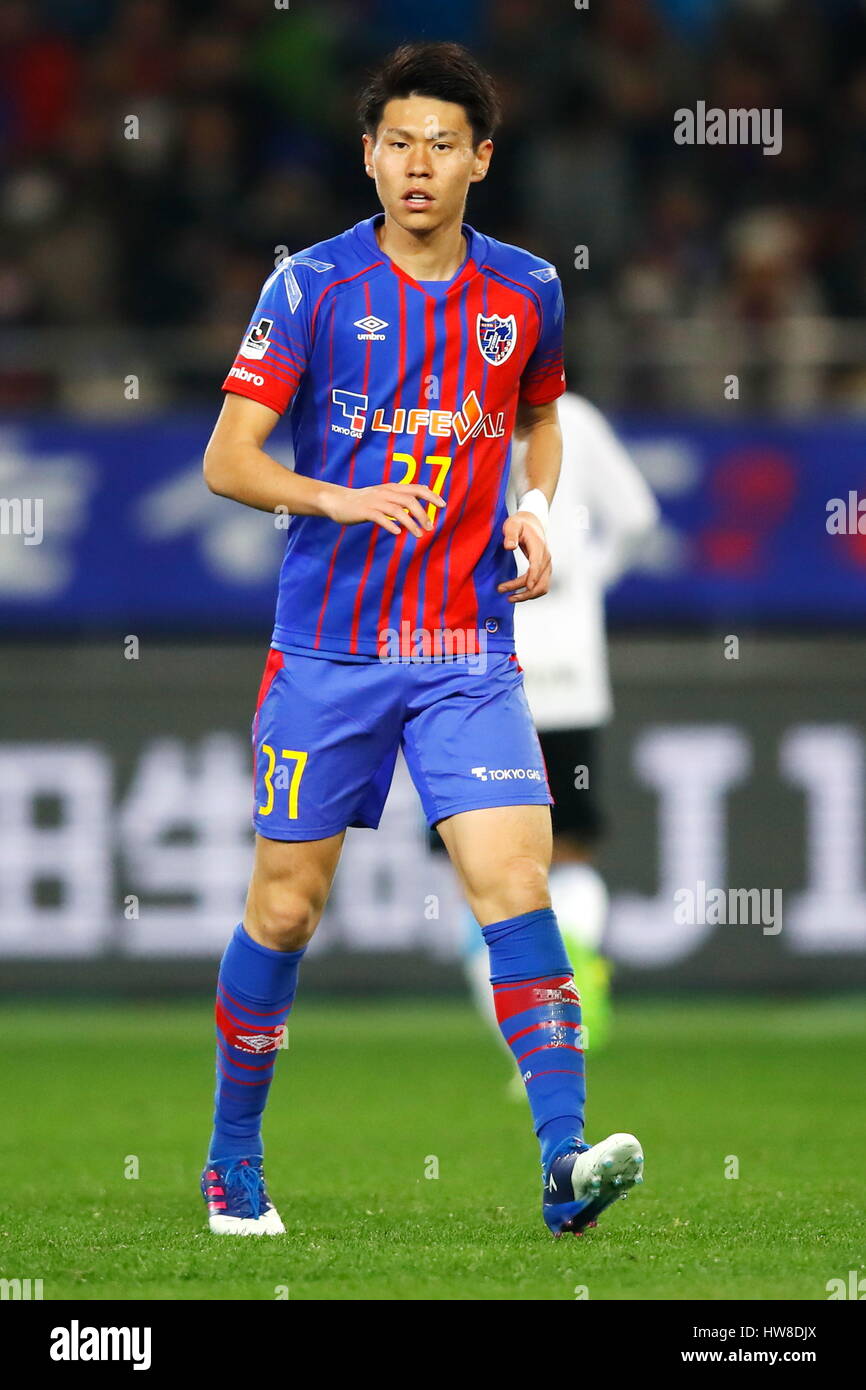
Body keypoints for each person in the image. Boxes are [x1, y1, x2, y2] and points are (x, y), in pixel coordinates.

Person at [200, 41, 643, 1240]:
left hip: (465, 651)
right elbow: (227, 459)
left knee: (514, 880)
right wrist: (338, 497)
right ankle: (231, 1156)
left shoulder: (525, 292)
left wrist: (534, 508)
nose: (416, 164)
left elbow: (540, 416)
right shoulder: (310, 287)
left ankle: (562, 1163)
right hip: (330, 653)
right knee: (286, 909)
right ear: (366, 154)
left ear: (479, 160)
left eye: (441, 143)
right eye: (396, 141)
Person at [461, 392, 660, 1064]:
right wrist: (583, 581)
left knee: (478, 859)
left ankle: (523, 1043)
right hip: (566, 662)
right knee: (566, 844)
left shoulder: (441, 405)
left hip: (473, 662)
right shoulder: (572, 419)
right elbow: (636, 516)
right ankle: (574, 988)